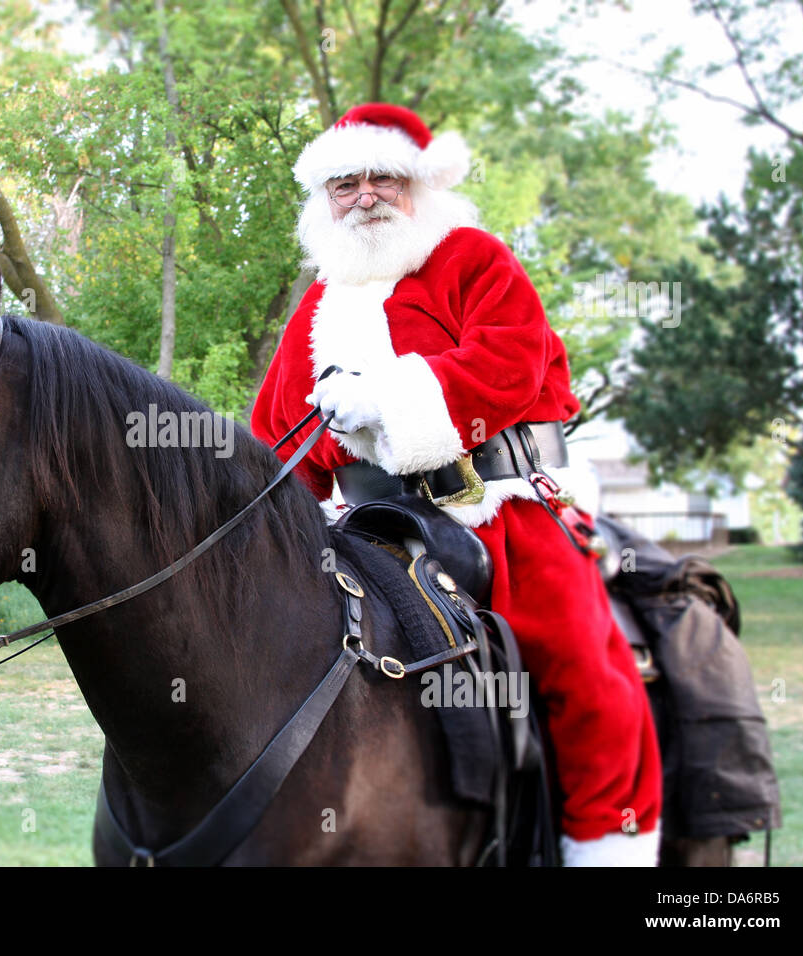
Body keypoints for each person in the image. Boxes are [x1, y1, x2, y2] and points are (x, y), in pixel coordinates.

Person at [251, 103, 662, 866]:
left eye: (384, 178)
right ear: (325, 199)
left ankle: (606, 848)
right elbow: (277, 434)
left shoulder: (472, 257)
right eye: (346, 184)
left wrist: (388, 397)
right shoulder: (318, 303)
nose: (365, 196)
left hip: (494, 507)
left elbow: (514, 361)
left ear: (421, 186)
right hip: (366, 523)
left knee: (582, 667)